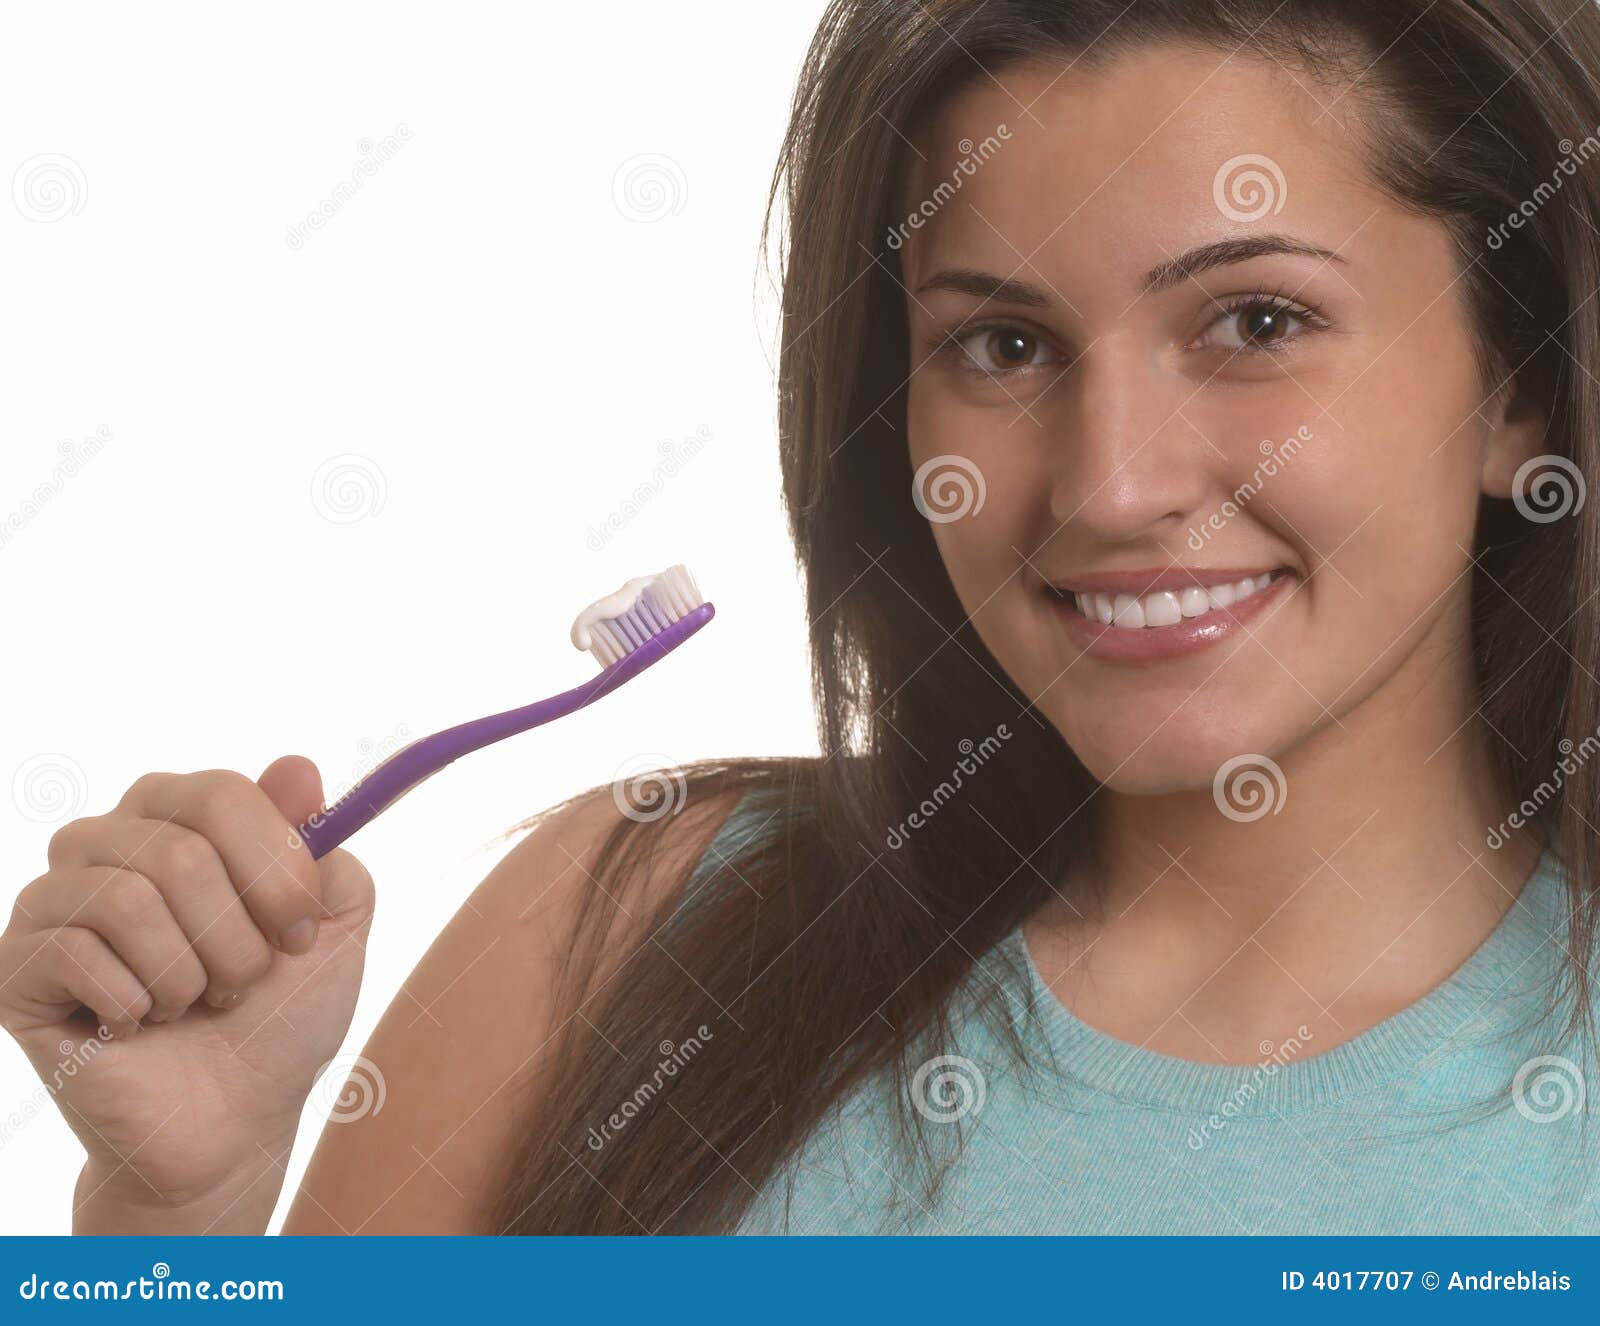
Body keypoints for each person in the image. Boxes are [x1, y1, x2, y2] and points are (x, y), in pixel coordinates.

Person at [7, 0, 1600, 1235]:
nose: (1109, 485)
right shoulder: (628, 932)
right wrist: (178, 1217)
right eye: (1002, 347)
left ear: (1516, 388)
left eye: (1256, 321)